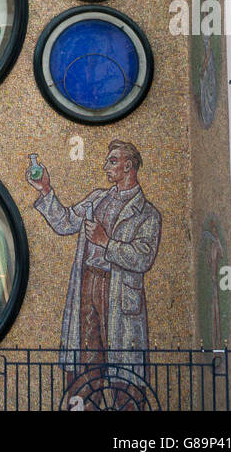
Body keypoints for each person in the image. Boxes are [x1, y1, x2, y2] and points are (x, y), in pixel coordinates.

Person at [26, 141, 161, 380]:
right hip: (88, 282)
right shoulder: (98, 198)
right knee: (86, 357)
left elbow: (143, 258)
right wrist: (45, 190)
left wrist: (106, 242)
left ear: (128, 165)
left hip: (117, 289)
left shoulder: (147, 214)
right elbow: (66, 222)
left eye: (112, 161)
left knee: (123, 369)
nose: (105, 166)